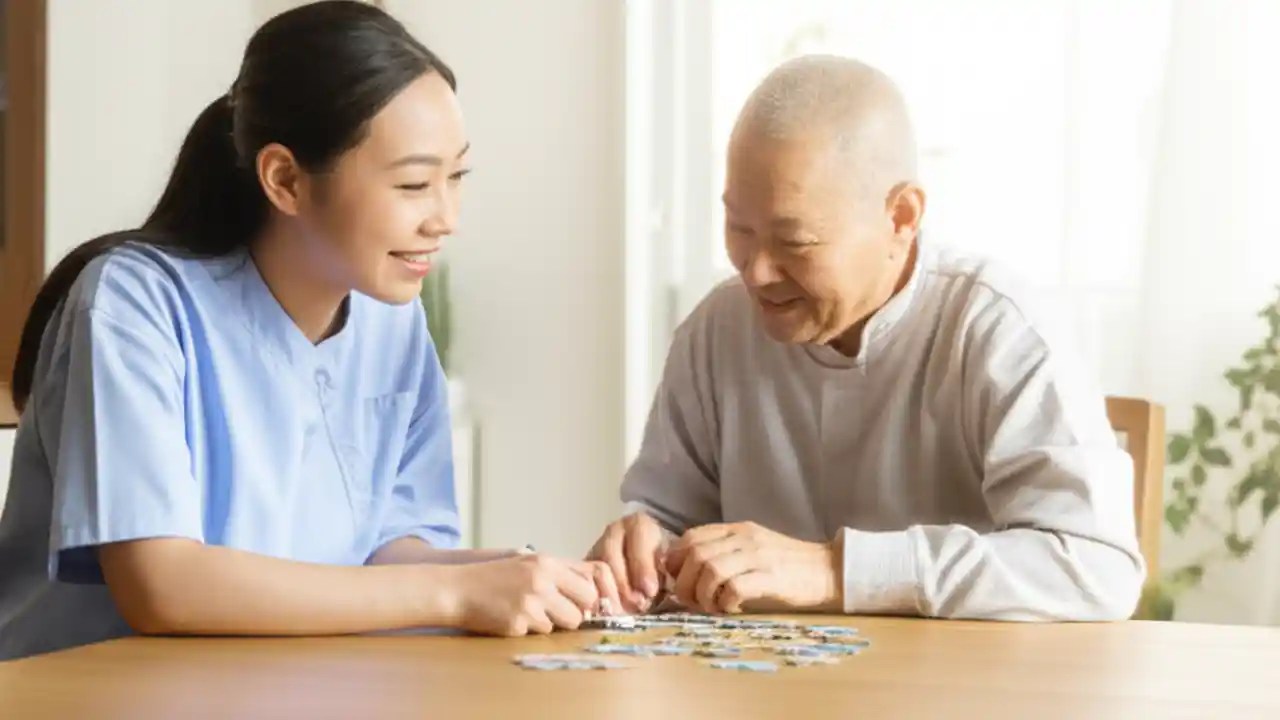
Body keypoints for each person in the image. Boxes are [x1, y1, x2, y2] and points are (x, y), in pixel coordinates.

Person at [0, 1, 618, 661]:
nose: (446, 219)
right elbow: (162, 585)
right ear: (285, 179)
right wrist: (456, 594)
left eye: (456, 178)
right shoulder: (136, 304)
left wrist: (522, 574)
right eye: (414, 184)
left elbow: (385, 551)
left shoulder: (394, 322)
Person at [588, 55, 1144, 622]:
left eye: (795, 241)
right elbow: (667, 519)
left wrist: (833, 570)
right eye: (739, 228)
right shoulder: (715, 329)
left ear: (901, 217)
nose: (755, 272)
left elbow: (1095, 569)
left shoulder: (1000, 328)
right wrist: (642, 550)